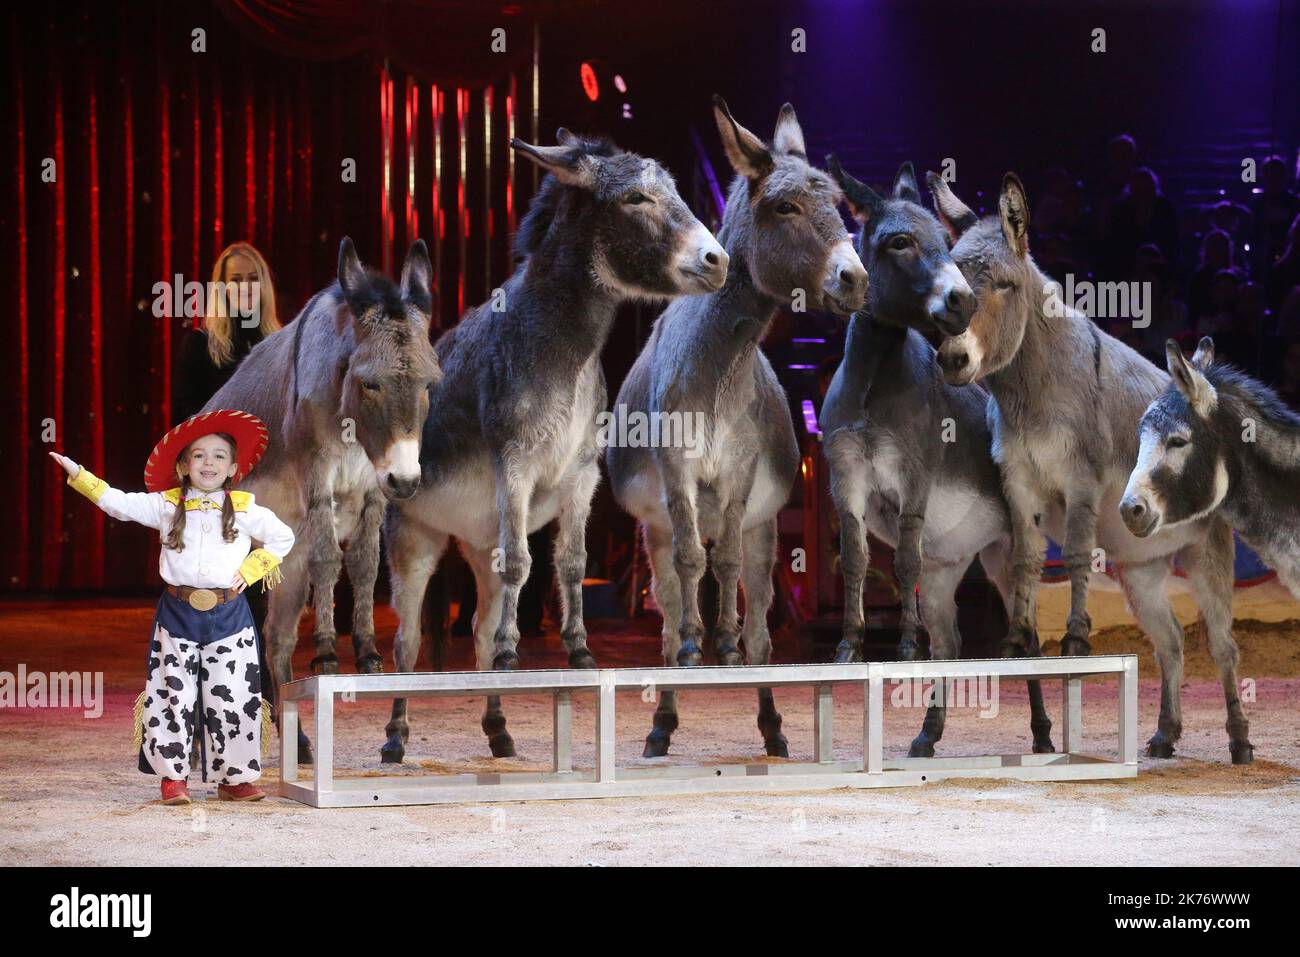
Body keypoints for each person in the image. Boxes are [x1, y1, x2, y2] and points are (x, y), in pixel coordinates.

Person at [50, 410, 294, 806]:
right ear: (183, 465)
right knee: (170, 696)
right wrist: (80, 475)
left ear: (233, 467)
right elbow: (120, 504)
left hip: (230, 617)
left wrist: (253, 568)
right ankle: (172, 777)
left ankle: (235, 778)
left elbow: (284, 537)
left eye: (218, 456)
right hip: (177, 615)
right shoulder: (166, 506)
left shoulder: (248, 509)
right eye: (198, 456)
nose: (208, 463)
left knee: (234, 696)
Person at [173, 242, 283, 424]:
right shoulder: (200, 344)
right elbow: (184, 417)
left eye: (253, 279)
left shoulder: (278, 346)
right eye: (236, 280)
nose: (245, 287)